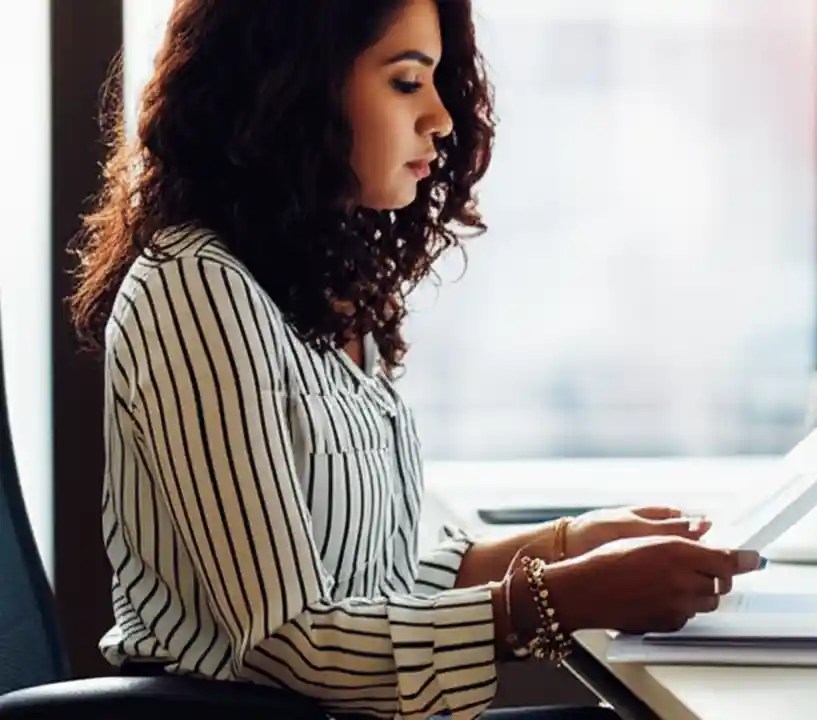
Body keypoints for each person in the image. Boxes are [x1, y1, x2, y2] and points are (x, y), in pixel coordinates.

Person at [68, 1, 763, 718]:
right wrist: (559, 597)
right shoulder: (197, 288)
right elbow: (289, 638)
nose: (441, 117)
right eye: (407, 83)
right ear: (292, 87)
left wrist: (567, 544)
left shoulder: (314, 292)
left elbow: (376, 580)